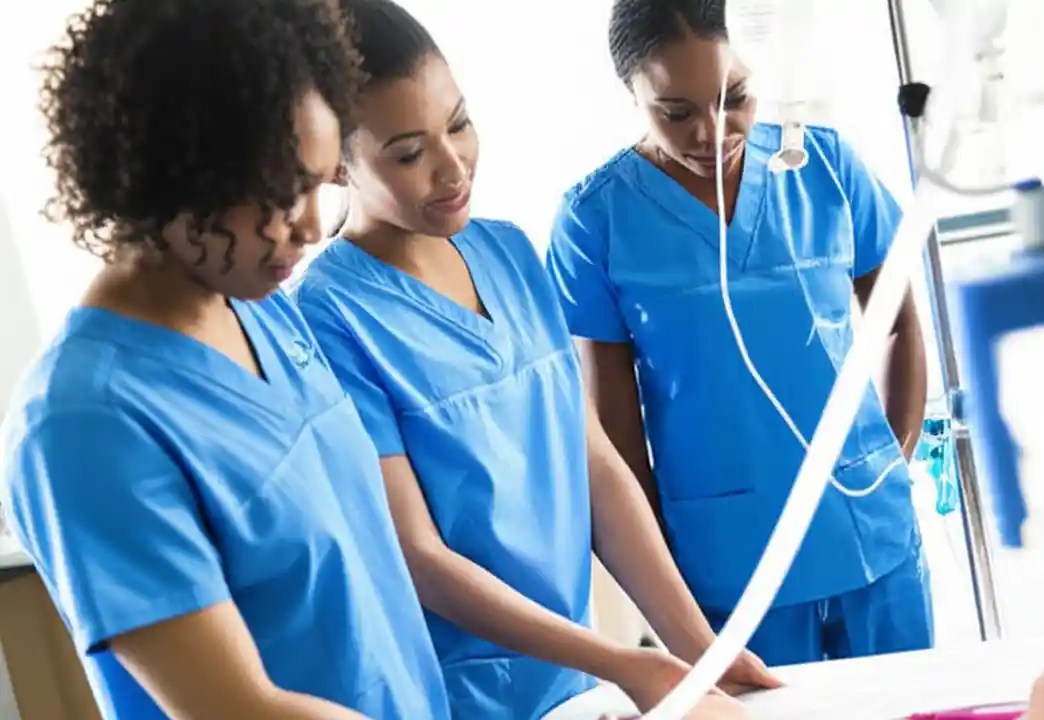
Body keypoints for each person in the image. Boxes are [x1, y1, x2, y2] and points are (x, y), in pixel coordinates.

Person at [293, 1, 779, 717]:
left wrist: (699, 650)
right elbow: (420, 558)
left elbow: (595, 466)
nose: (452, 167)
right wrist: (624, 662)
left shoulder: (510, 254)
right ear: (334, 160)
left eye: (459, 124)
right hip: (461, 697)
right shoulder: (328, 319)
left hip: (574, 684)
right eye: (409, 154)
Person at [0, 1, 449, 718]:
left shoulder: (260, 307)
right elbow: (239, 708)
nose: (310, 226)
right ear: (174, 173)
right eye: (280, 194)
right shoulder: (85, 424)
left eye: (319, 184)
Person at [545, 0, 933, 668]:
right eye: (676, 112)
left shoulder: (824, 166)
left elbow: (896, 320)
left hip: (873, 537)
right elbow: (613, 423)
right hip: (728, 563)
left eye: (736, 98)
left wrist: (889, 464)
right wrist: (658, 574)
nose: (713, 131)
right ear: (633, 95)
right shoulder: (596, 219)